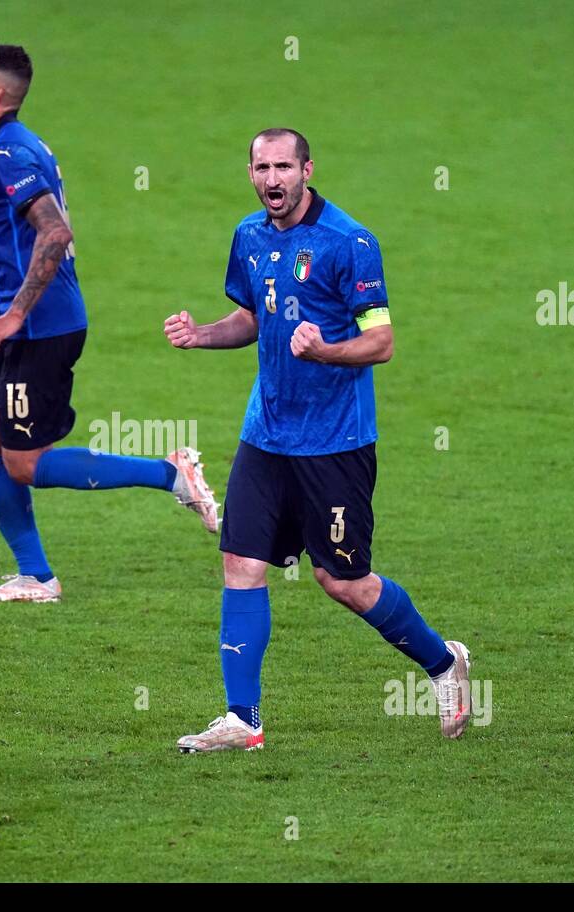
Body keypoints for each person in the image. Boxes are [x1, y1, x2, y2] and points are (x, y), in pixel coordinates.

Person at [163, 129, 472, 752]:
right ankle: (242, 720)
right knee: (241, 564)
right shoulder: (249, 235)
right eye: (261, 167)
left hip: (334, 443)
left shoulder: (349, 243)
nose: (272, 179)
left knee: (344, 583)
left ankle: (444, 662)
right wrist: (203, 335)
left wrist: (327, 350)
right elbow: (252, 318)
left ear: (308, 169)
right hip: (266, 435)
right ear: (249, 172)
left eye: (283, 166)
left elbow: (381, 342)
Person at [0, 44, 219, 603]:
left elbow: (56, 235)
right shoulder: (8, 147)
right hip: (17, 319)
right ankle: (35, 576)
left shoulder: (10, 151)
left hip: (38, 328)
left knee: (24, 462)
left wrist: (14, 312)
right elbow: (31, 239)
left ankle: (170, 472)